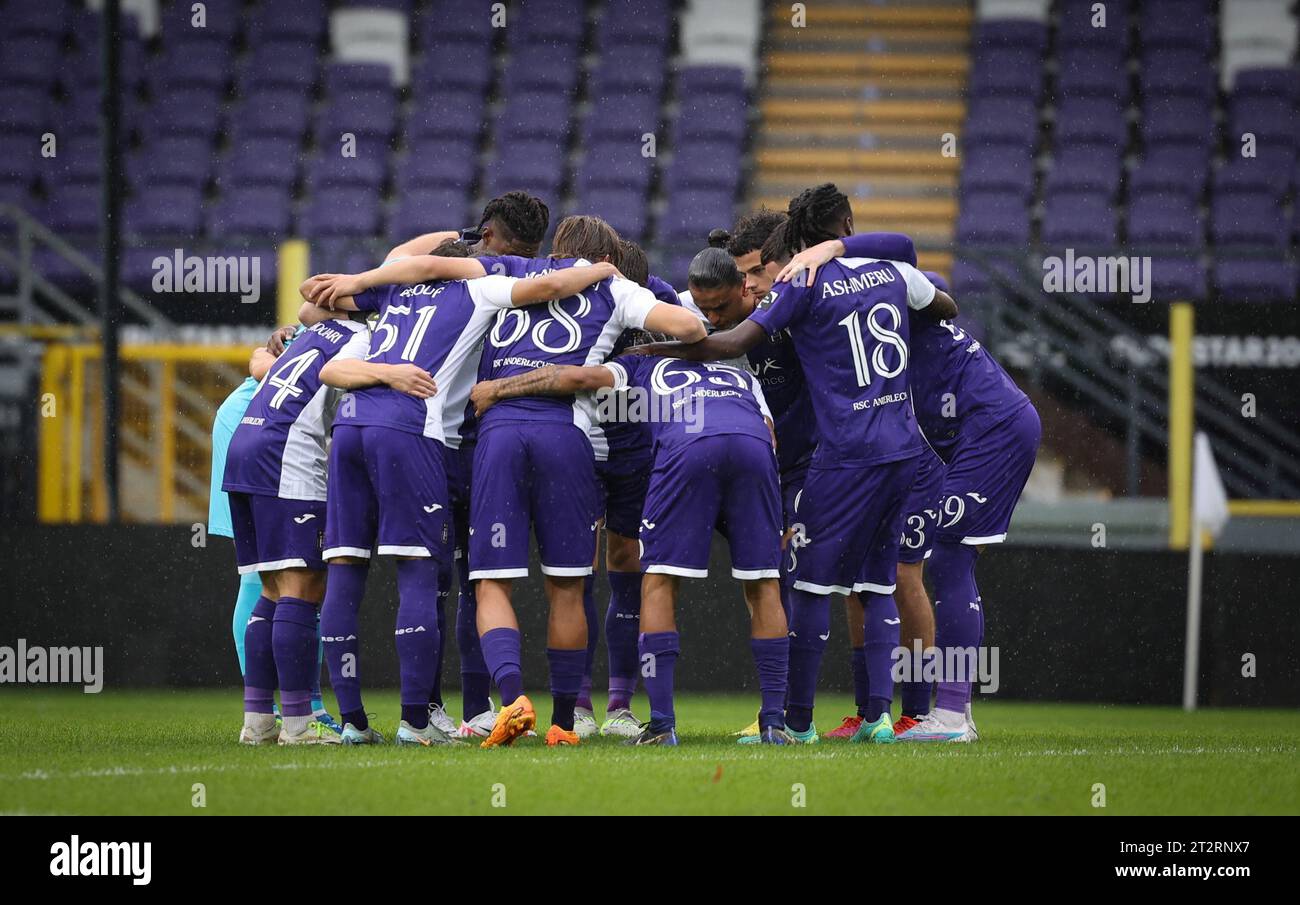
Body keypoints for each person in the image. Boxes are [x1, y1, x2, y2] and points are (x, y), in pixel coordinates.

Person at [342, 217, 707, 748]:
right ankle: (563, 723)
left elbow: (422, 264)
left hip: (496, 437)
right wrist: (631, 359)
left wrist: (358, 282)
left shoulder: (510, 270)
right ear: (606, 255)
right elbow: (691, 329)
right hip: (567, 435)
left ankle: (512, 699)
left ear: (557, 247)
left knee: (491, 582)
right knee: (566, 585)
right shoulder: (614, 285)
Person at [628, 183, 957, 743]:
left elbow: (730, 344)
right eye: (743, 277)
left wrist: (656, 351)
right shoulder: (885, 273)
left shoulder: (795, 290)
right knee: (874, 585)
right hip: (889, 446)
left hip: (833, 459)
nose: (750, 284)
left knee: (812, 586)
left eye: (756, 272)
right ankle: (878, 716)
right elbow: (938, 294)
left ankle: (797, 722)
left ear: (786, 254)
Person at [300, 243, 623, 746]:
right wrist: (600, 267)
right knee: (419, 574)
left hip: (348, 427)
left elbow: (307, 304)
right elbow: (550, 286)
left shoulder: (390, 288)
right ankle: (415, 719)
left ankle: (353, 721)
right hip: (413, 429)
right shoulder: (478, 289)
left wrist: (359, 279)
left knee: (345, 569)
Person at [468, 333, 789, 745]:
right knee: (764, 584)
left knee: (656, 581)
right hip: (755, 449)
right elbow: (769, 433)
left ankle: (661, 725)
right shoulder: (740, 374)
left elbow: (577, 378)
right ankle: (775, 723)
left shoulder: (639, 364)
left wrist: (500, 386)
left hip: (687, 450)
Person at [224, 313, 373, 744]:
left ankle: (258, 721)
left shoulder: (315, 331)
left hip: (246, 446)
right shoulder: (364, 340)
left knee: (271, 589)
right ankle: (298, 724)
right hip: (285, 459)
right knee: (303, 589)